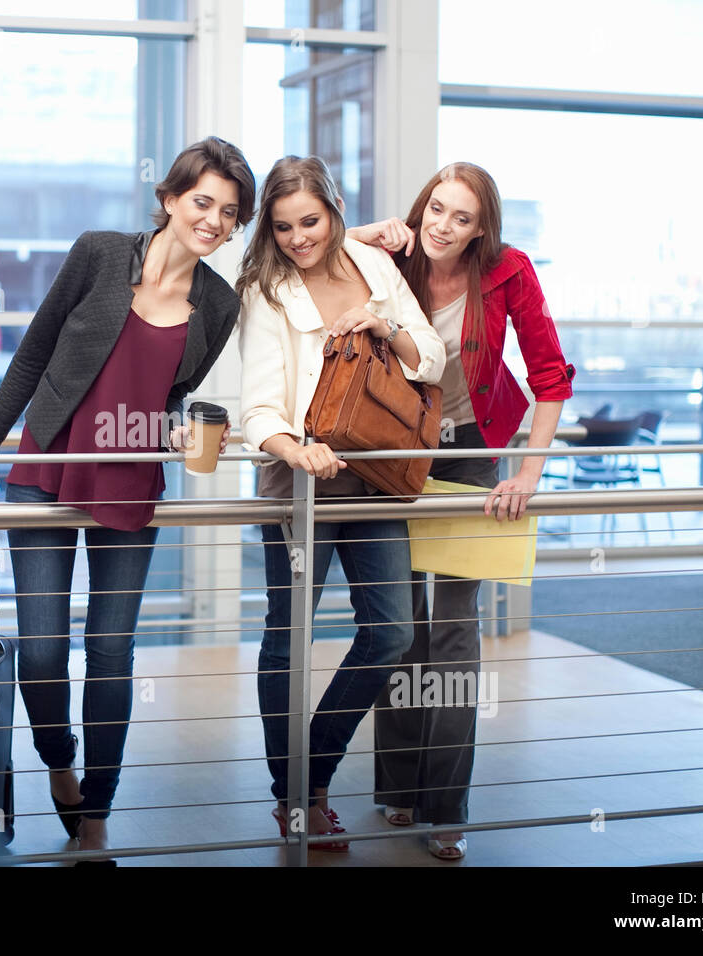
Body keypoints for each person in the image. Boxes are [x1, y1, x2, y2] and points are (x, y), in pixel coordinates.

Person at [0, 137, 256, 860]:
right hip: (47, 469)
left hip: (130, 480)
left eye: (229, 213)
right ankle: (59, 762)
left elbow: (174, 395)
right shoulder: (97, 252)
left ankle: (98, 809)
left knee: (112, 650)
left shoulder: (219, 303)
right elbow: (34, 350)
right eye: (201, 202)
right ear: (169, 199)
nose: (213, 221)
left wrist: (179, 432)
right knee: (45, 647)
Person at [349, 162, 575, 860]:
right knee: (397, 625)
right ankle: (397, 788)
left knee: (450, 631)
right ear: (420, 209)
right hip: (397, 450)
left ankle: (445, 808)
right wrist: (366, 230)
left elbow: (550, 376)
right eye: (435, 211)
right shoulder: (394, 256)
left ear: (483, 229)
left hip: (472, 453)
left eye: (461, 218)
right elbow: (305, 250)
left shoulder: (508, 272)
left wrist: (528, 471)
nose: (443, 227)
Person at [238, 156, 446, 851]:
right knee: (289, 636)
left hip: (375, 471)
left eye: (312, 221)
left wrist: (381, 323)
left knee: (390, 630)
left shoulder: (371, 262)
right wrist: (295, 450)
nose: (299, 237)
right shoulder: (266, 288)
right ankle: (294, 798)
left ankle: (313, 773)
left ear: (333, 210)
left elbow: (432, 358)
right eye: (285, 225)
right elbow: (259, 404)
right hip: (299, 480)